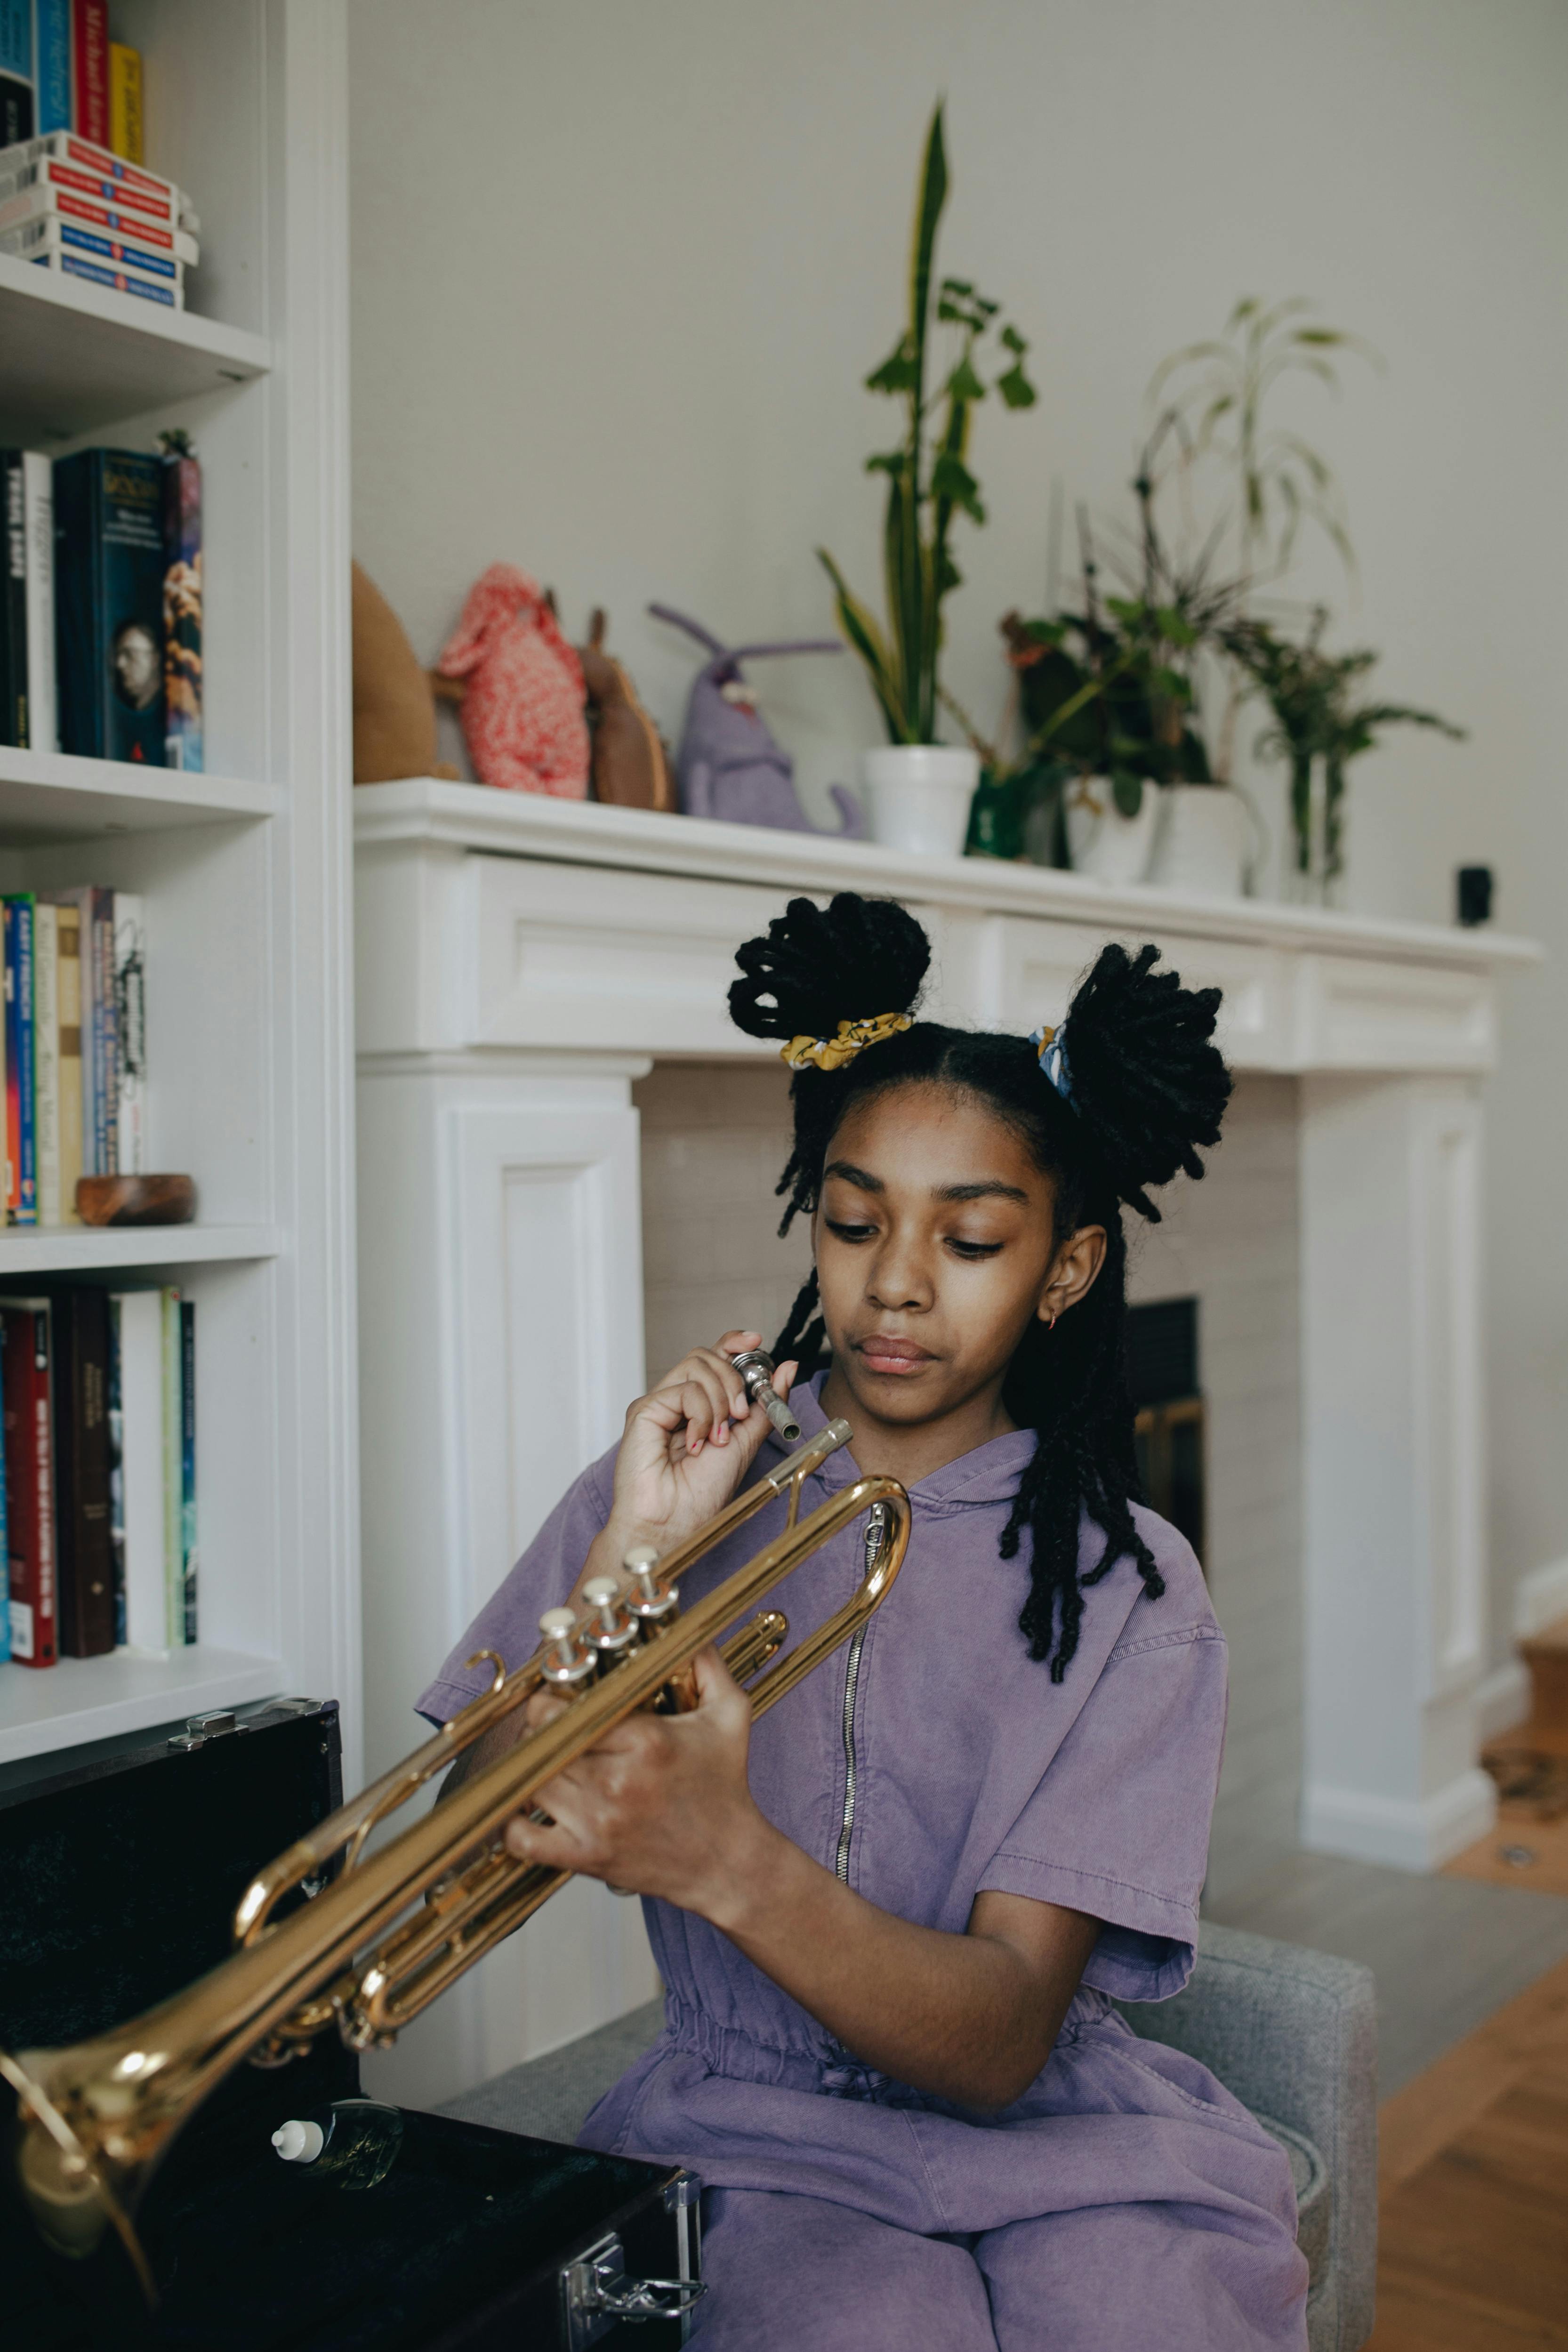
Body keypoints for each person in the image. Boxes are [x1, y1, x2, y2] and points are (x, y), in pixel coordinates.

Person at [417, 892, 1309, 2350]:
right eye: (851, 1222)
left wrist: (724, 1858)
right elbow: (456, 1853)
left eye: (970, 1239)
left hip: (1064, 2138)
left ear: (1065, 1270)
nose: (892, 1281)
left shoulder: (1133, 1585)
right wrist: (633, 1554)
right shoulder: (671, 1493)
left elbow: (1002, 2041)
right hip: (746, 2134)